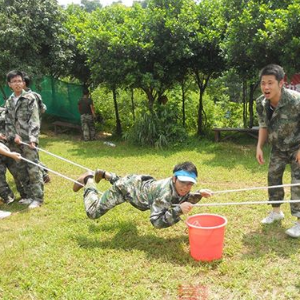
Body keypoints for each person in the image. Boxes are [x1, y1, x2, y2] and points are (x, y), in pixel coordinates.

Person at [73, 161, 212, 228]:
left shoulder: (178, 187)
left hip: (138, 183)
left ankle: (106, 175)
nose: (186, 187)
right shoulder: (164, 194)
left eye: (190, 184)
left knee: (132, 185)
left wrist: (199, 194)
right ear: (174, 178)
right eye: (183, 182)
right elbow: (157, 221)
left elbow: (183, 198)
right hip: (125, 190)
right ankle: (88, 179)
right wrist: (178, 211)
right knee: (92, 212)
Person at [256, 64, 300, 238]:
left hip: (297, 147)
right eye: (263, 83)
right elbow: (263, 125)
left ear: (281, 83)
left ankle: (299, 222)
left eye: (270, 83)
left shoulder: (296, 101)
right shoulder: (261, 102)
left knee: (297, 183)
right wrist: (259, 146)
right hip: (278, 148)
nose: (266, 87)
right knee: (273, 177)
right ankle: (276, 212)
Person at [5, 70, 44, 209]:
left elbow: (34, 120)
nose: (17, 84)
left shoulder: (29, 98)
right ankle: (28, 196)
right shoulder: (9, 101)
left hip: (28, 141)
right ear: (9, 84)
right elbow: (8, 122)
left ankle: (38, 198)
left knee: (33, 169)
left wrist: (33, 139)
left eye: (19, 81)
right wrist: (13, 135)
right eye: (14, 81)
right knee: (21, 169)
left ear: (23, 82)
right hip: (15, 141)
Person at [22, 72, 50, 184]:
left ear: (23, 83)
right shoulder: (36, 95)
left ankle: (42, 173)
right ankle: (42, 169)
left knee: (31, 153)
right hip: (31, 129)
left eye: (19, 81)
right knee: (30, 153)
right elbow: (43, 109)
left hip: (30, 130)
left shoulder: (31, 96)